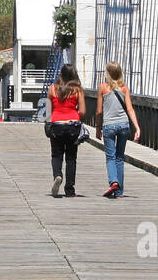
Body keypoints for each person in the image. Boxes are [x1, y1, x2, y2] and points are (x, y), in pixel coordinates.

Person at [95, 61, 140, 198]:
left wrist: (98, 128)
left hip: (109, 126)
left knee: (110, 157)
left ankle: (113, 182)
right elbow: (130, 109)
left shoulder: (103, 87)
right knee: (119, 158)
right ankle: (119, 192)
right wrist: (137, 127)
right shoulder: (124, 88)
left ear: (107, 74)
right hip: (124, 126)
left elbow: (98, 111)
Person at [47, 64, 85, 197]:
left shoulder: (52, 89)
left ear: (61, 74)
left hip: (56, 124)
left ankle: (57, 175)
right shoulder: (77, 90)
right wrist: (73, 114)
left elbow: (47, 111)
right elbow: (82, 110)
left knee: (56, 155)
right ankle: (69, 189)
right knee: (71, 158)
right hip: (72, 126)